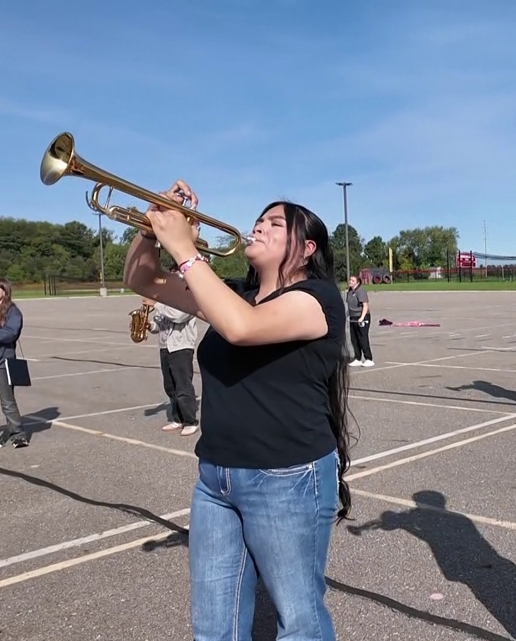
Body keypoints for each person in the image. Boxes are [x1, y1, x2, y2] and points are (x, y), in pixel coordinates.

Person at [122, 180, 353, 641]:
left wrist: (186, 251)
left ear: (306, 248)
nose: (258, 227)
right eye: (258, 220)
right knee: (213, 626)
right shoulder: (233, 295)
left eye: (274, 224)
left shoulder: (318, 299)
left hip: (287, 478)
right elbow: (142, 279)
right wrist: (150, 227)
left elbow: (242, 328)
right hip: (215, 479)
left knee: (300, 622)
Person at [147, 291, 200, 436]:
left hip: (181, 347)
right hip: (165, 347)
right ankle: (178, 419)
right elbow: (159, 325)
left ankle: (191, 421)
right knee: (170, 386)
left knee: (183, 385)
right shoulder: (165, 301)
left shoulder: (188, 299)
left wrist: (156, 304)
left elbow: (178, 317)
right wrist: (149, 325)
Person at [0, 278, 27, 449]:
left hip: (3, 361)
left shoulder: (12, 312)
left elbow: (9, 334)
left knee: (7, 401)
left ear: (4, 292)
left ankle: (17, 434)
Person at [346, 275, 374, 367]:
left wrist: (362, 318)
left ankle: (368, 358)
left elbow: (365, 305)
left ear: (357, 282)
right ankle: (357, 358)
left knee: (363, 338)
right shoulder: (349, 291)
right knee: (354, 339)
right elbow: (350, 307)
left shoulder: (360, 291)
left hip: (362, 317)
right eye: (350, 280)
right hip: (353, 318)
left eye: (352, 280)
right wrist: (345, 316)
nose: (350, 281)